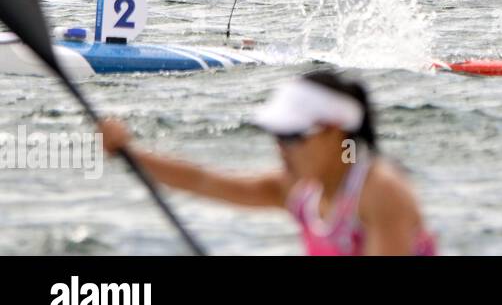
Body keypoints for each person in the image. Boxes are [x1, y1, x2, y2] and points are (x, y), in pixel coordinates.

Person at [98, 68, 437, 256]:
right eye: (277, 136)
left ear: (334, 132)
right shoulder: (300, 191)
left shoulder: (380, 192)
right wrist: (129, 152)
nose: (281, 149)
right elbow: (205, 181)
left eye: (291, 136)